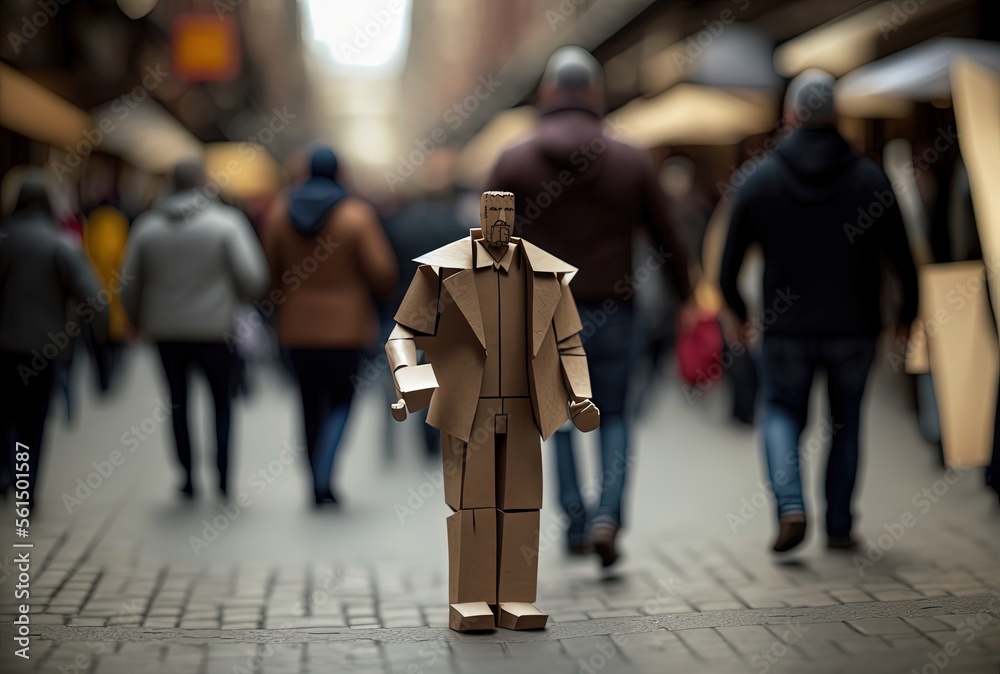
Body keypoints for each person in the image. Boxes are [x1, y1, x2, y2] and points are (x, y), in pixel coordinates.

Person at [486, 46, 695, 567]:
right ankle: (609, 516)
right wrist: (689, 298)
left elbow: (489, 245)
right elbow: (668, 239)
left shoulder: (513, 160)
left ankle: (575, 519)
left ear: (549, 93)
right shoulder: (630, 159)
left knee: (551, 419)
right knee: (616, 415)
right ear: (596, 94)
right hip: (615, 312)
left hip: (541, 313)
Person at [719, 70, 919, 553]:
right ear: (838, 116)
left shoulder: (760, 179)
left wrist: (739, 310)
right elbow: (904, 258)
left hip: (784, 330)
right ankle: (839, 524)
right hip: (855, 328)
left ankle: (790, 505)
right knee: (847, 421)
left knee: (780, 411)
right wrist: (907, 316)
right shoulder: (870, 177)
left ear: (789, 115)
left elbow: (726, 265)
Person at [386, 191, 599, 631]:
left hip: (525, 405)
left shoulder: (544, 272)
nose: (501, 220)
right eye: (493, 212)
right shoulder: (444, 270)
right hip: (469, 408)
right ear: (481, 216)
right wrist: (408, 376)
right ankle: (470, 599)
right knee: (471, 507)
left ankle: (517, 597)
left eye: (507, 212)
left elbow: (569, 344)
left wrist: (578, 393)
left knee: (523, 506)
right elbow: (402, 332)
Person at [121, 160, 268, 499]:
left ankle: (187, 477)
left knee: (177, 402)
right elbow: (253, 278)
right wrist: (233, 299)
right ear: (204, 183)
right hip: (217, 330)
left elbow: (128, 284)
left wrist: (135, 318)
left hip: (166, 332)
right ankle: (222, 478)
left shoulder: (147, 227)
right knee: (222, 403)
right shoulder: (226, 224)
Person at [263, 146, 397, 506]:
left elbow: (268, 273)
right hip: (347, 330)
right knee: (341, 400)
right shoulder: (356, 216)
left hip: (297, 328)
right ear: (339, 174)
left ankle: (313, 478)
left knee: (307, 403)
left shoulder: (280, 212)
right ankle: (325, 472)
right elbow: (383, 273)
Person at [0, 167, 107, 504]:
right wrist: (100, 344)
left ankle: (7, 474)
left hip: (3, 347)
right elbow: (95, 300)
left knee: (5, 415)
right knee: (34, 420)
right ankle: (25, 487)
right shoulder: (62, 244)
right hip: (44, 349)